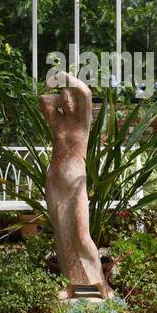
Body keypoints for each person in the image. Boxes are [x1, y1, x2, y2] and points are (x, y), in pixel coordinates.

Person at [40, 69, 107, 292]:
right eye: (64, 99)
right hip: (55, 184)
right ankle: (70, 283)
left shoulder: (82, 123)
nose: (67, 102)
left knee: (80, 233)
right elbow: (44, 99)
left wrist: (65, 78)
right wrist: (62, 93)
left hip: (76, 184)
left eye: (71, 98)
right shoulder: (57, 121)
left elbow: (86, 93)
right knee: (63, 236)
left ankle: (100, 282)